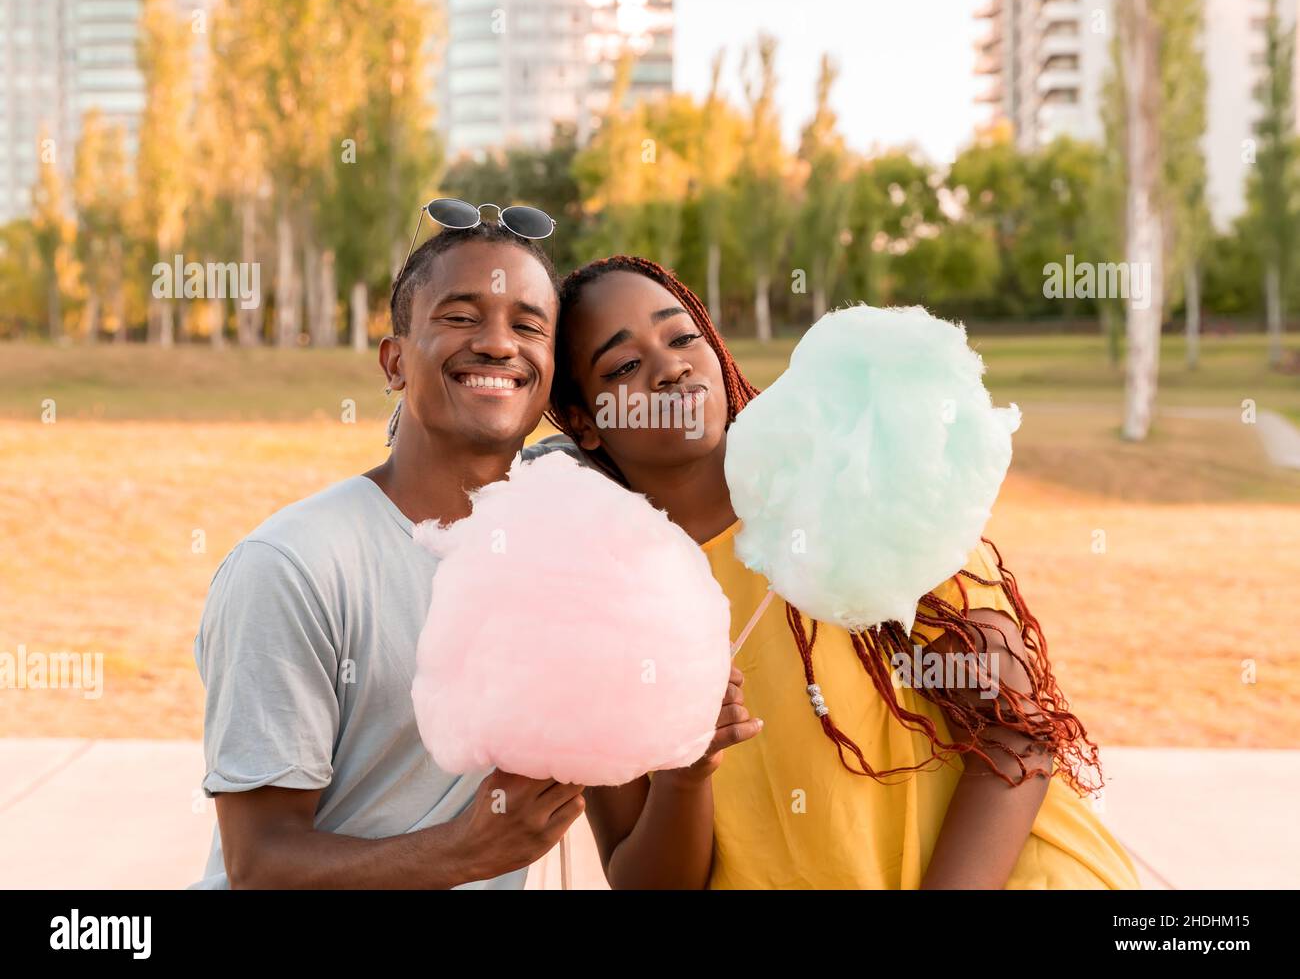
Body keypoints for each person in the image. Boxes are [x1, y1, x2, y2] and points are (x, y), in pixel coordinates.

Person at [542, 254, 1141, 890]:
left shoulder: (855, 478)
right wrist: (685, 772)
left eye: (682, 335)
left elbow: (1015, 736)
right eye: (624, 366)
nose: (670, 367)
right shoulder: (607, 611)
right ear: (585, 424)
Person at [191, 221, 586, 889]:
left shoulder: (565, 544)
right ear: (395, 361)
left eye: (528, 326)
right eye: (461, 317)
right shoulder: (293, 566)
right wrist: (465, 850)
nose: (496, 343)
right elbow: (260, 865)